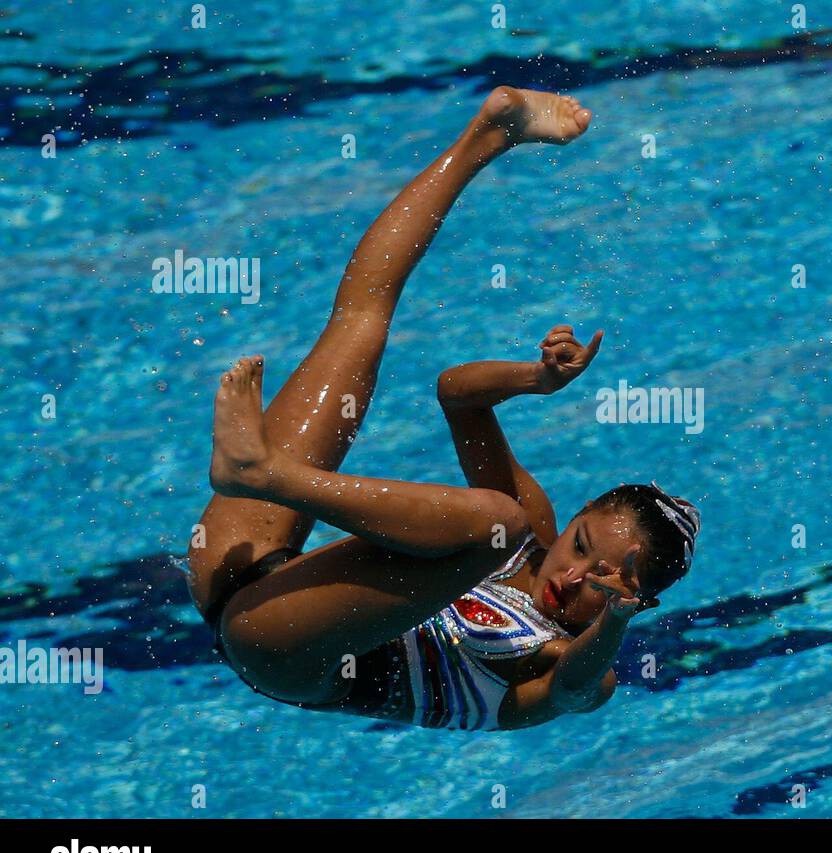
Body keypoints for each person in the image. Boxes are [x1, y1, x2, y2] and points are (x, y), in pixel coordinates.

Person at [184, 87, 700, 731]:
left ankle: (266, 475)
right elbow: (457, 393)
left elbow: (573, 686)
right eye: (580, 546)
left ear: (635, 599)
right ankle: (488, 137)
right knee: (363, 317)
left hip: (285, 653)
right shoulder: (532, 532)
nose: (571, 577)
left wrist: (613, 622)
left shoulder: (573, 665)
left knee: (496, 524)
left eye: (604, 582)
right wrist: (534, 379)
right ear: (575, 520)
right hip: (245, 572)